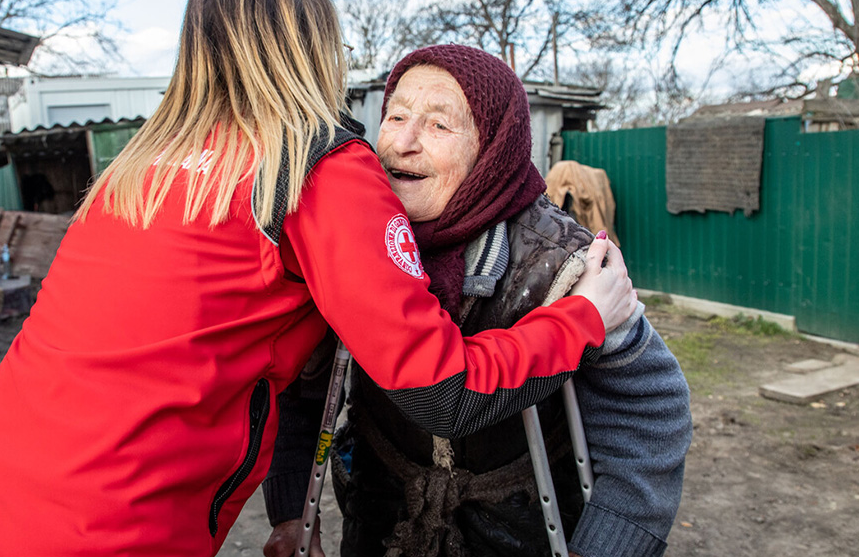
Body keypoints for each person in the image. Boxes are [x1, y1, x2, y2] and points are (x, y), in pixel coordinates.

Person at [0, 0, 637, 557]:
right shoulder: (312, 169)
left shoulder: (141, 170)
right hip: (112, 530)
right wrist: (581, 319)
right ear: (310, 51)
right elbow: (439, 390)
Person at [262, 45, 692, 557]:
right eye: (395, 116)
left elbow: (651, 409)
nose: (402, 142)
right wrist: (291, 511)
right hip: (383, 520)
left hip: (527, 527)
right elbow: (301, 387)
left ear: (494, 147)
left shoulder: (567, 264)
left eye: (439, 126)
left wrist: (611, 544)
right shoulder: (350, 245)